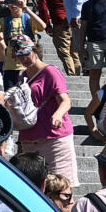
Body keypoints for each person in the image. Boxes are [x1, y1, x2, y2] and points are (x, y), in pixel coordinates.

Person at [9, 37, 77, 192]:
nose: (23, 58)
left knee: (60, 187)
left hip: (54, 137)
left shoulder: (50, 72)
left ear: (35, 50)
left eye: (26, 53)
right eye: (19, 55)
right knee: (34, 188)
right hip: (29, 137)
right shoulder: (22, 75)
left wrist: (58, 114)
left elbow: (65, 100)